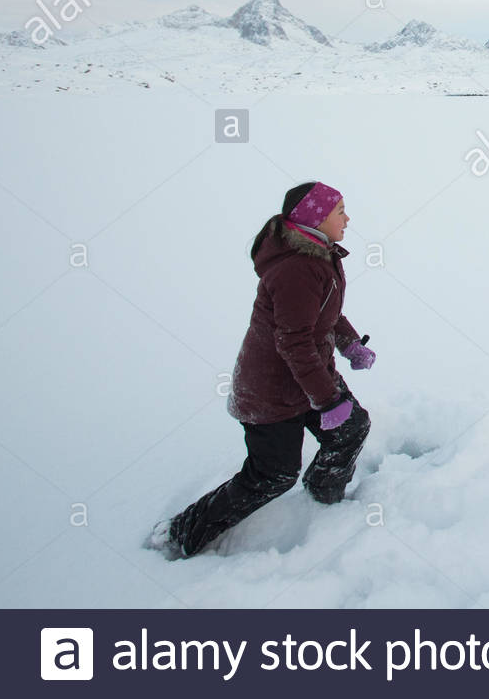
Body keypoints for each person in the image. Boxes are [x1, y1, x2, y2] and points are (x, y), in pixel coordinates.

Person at [147, 181, 374, 560]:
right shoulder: (297, 270)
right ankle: (180, 533)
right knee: (272, 475)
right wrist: (328, 400)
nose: (348, 219)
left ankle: (322, 498)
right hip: (271, 393)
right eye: (340, 212)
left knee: (352, 428)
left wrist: (348, 342)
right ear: (316, 218)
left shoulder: (321, 256)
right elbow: (293, 341)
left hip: (307, 377)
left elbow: (323, 314)